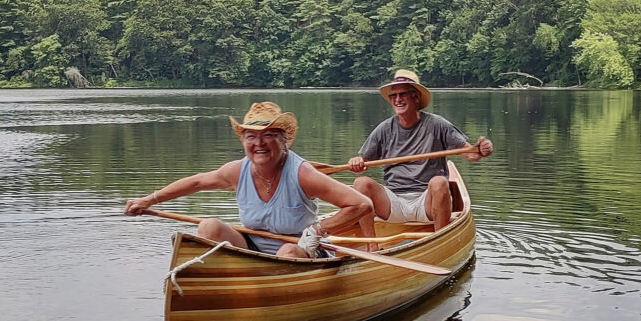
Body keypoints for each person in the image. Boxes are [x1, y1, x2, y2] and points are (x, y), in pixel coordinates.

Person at [125, 101, 374, 258]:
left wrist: (317, 230)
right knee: (208, 227)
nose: (259, 143)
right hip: (251, 250)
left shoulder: (302, 173)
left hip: (299, 251)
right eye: (251, 137)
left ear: (284, 139)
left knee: (286, 251)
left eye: (268, 135)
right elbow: (198, 182)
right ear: (243, 141)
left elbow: (362, 204)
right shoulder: (237, 170)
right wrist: (148, 200)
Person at [347, 69, 493, 231]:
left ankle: (440, 239)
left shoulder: (437, 124)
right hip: (394, 201)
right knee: (361, 183)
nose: (397, 100)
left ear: (416, 97)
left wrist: (480, 150)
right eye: (393, 96)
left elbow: (469, 152)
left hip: (427, 202)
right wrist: (357, 162)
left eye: (402, 94)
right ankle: (372, 247)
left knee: (439, 182)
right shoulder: (384, 129)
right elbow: (363, 163)